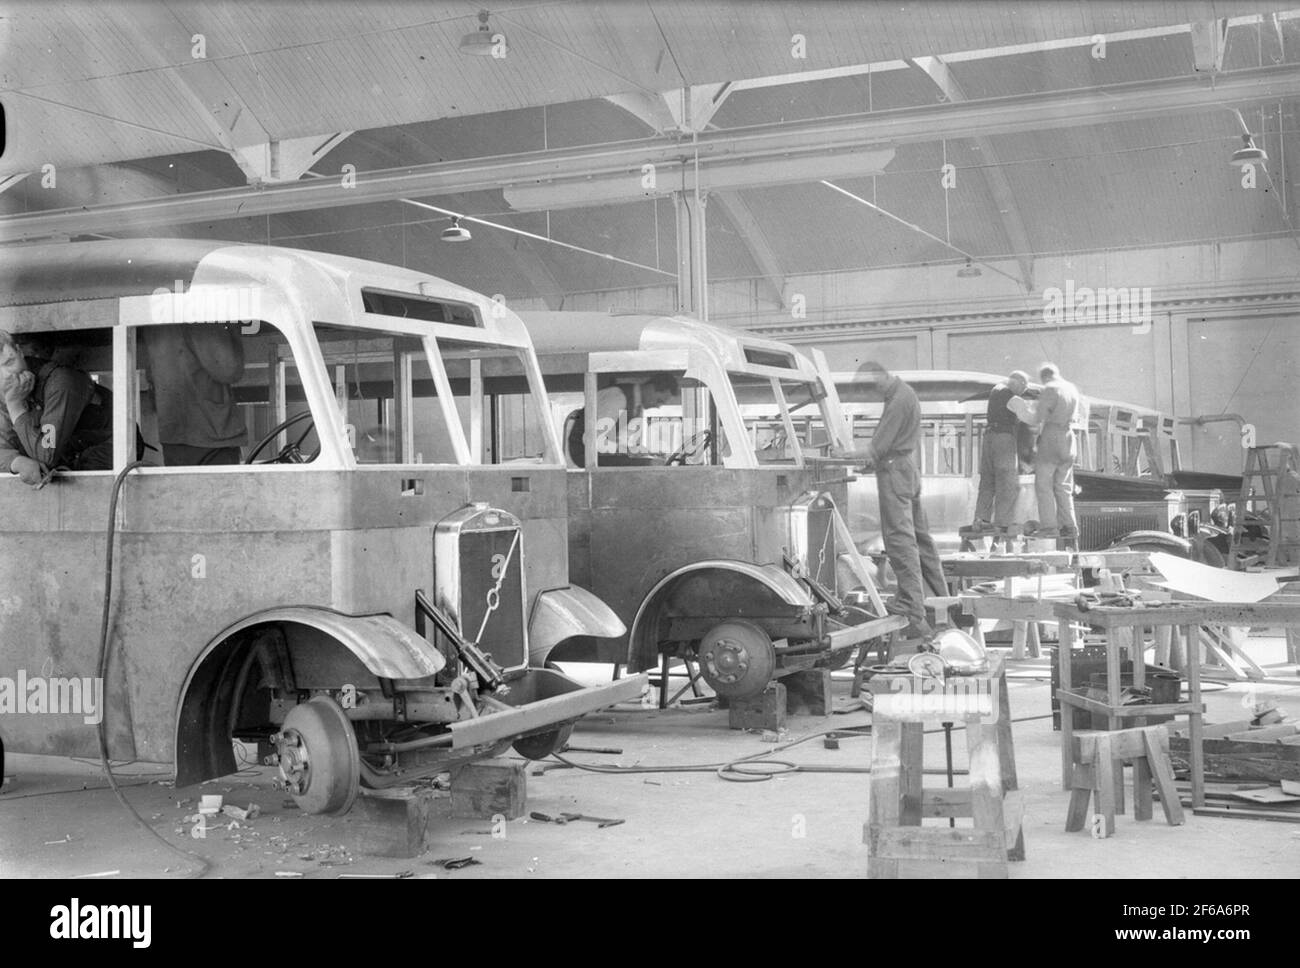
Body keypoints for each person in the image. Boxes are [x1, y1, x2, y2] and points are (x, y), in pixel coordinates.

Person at [833, 362, 946, 642]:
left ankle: (911, 603)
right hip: (904, 469)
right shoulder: (904, 394)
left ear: (882, 376)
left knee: (899, 539)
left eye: (873, 385)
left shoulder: (898, 400)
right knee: (921, 542)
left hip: (895, 473)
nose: (873, 392)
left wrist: (843, 455)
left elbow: (877, 449)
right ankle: (941, 601)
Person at [0, 329, 113, 484]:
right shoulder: (6, 390)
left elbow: (46, 455)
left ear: (19, 351)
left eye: (9, 362)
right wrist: (16, 462)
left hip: (109, 452)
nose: (7, 375)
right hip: (70, 458)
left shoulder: (60, 382)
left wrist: (15, 406)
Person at [142, 325, 247, 465]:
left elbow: (151, 375)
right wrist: (233, 329)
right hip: (212, 432)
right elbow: (229, 369)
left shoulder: (155, 323)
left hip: (173, 435)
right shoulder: (200, 315)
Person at [566, 373, 680, 466]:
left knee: (651, 461)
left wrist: (641, 452)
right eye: (659, 400)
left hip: (599, 453)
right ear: (651, 388)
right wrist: (628, 451)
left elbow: (619, 441)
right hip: (583, 454)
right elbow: (590, 440)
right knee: (650, 464)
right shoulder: (618, 398)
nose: (658, 407)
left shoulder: (637, 406)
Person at [972, 370, 1030, 534]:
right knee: (1007, 481)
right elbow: (1027, 417)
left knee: (987, 482)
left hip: (988, 438)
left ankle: (980, 519)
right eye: (1024, 388)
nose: (1024, 392)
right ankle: (1002, 522)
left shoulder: (995, 390)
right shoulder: (1012, 397)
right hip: (1003, 440)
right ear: (1019, 383)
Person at [1029, 361, 1081, 540]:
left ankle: (1049, 527)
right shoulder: (1072, 388)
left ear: (1044, 377)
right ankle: (1069, 526)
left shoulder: (1050, 388)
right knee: (1064, 486)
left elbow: (1038, 417)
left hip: (1052, 438)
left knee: (1043, 485)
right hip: (1069, 438)